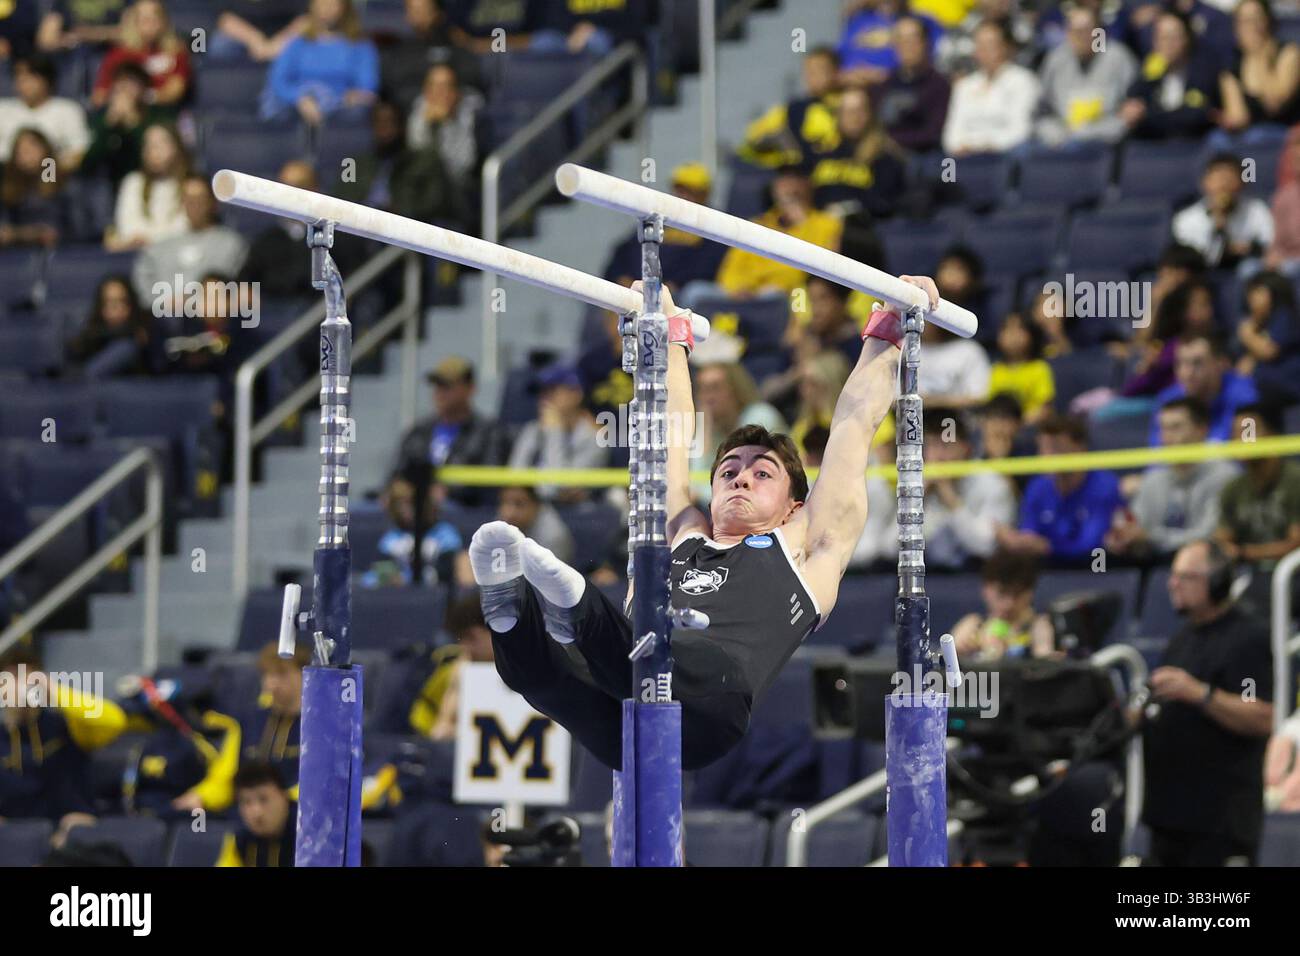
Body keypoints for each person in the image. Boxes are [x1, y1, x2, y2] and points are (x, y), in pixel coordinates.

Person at [469, 275, 941, 771]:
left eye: (763, 473)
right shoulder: (682, 529)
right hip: (628, 718)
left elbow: (853, 424)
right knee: (544, 680)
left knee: (651, 647)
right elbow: (671, 432)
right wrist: (670, 340)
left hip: (711, 708)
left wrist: (889, 329)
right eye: (729, 471)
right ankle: (513, 612)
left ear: (793, 505)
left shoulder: (807, 542)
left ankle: (579, 610)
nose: (740, 479)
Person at [1141, 539, 1273, 866]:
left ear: (1217, 582)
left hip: (1218, 823)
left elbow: (1260, 716)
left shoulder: (1248, 637)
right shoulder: (1181, 638)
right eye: (1173, 575)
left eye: (1186, 577)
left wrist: (1199, 693)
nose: (1173, 584)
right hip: (1170, 819)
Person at [855, 409, 1017, 570]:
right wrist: (918, 499)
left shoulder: (991, 483)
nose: (939, 455)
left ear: (966, 448)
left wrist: (952, 502)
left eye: (946, 445)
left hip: (976, 578)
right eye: (933, 445)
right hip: (928, 579)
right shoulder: (918, 484)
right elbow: (889, 548)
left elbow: (986, 546)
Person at [0, 644, 128, 827]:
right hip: (14, 837)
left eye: (27, 677)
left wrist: (52, 690)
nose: (20, 686)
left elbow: (114, 721)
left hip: (69, 830)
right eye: (11, 678)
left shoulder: (67, 725)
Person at [1105, 398, 1239, 560]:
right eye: (1163, 428)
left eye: (1176, 427)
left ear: (1202, 430)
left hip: (1204, 569)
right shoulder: (1153, 479)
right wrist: (1123, 537)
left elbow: (1210, 537)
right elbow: (1137, 527)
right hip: (1155, 567)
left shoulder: (1226, 477)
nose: (1166, 437)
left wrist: (1151, 537)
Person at [995, 413, 1121, 564]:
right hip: (1046, 573)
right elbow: (1029, 534)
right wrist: (1018, 542)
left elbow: (1094, 547)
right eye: (1042, 448)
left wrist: (1048, 547)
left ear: (1080, 448)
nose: (1046, 456)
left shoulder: (1104, 486)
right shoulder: (1038, 487)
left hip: (1095, 571)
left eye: (1055, 448)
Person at [388, 356, 510, 506]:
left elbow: (490, 481)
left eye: (447, 386)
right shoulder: (419, 431)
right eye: (436, 385)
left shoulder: (489, 432)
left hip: (463, 512)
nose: (439, 393)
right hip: (416, 509)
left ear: (470, 388)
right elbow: (396, 474)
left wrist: (449, 491)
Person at [1215, 403, 1300, 611]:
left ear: (1273, 435)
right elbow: (1222, 538)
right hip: (1250, 576)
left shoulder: (1295, 480)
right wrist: (1227, 549)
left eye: (1248, 431)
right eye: (1236, 433)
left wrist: (1244, 553)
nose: (1241, 440)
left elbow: (1295, 544)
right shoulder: (1233, 489)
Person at [714, 166, 842, 298]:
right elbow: (731, 270)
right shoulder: (758, 224)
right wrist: (739, 288)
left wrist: (802, 223)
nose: (788, 186)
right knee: (698, 292)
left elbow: (812, 271)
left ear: (807, 185)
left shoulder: (827, 223)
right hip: (746, 294)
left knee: (779, 295)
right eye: (783, 178)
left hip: (793, 296)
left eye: (795, 178)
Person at [131, 173, 250, 305]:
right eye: (188, 199)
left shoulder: (232, 244)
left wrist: (196, 302)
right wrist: (162, 304)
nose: (194, 205)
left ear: (212, 202)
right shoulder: (161, 245)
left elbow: (233, 287)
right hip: (165, 317)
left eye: (200, 199)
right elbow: (144, 282)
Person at [260, 0, 378, 125]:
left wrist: (341, 99)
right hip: (296, 107)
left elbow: (367, 85)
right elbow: (278, 81)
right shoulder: (297, 42)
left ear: (344, 7)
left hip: (340, 110)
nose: (326, 8)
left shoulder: (360, 45)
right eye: (321, 3)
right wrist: (300, 98)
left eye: (333, 4)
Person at [1035, 5, 1138, 147]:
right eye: (1075, 31)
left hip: (1106, 142)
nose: (1081, 37)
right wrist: (1056, 135)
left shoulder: (1117, 57)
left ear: (1098, 33)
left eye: (1086, 31)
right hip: (1062, 142)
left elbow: (1132, 109)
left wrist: (1088, 134)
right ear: (1067, 33)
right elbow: (1042, 112)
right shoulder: (1056, 59)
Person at [507, 363, 608, 504]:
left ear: (576, 394)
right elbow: (514, 482)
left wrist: (554, 433)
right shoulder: (532, 430)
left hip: (574, 517)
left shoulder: (594, 437)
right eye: (540, 393)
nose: (543, 399)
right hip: (531, 512)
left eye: (551, 391)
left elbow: (558, 488)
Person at [802, 85, 907, 219]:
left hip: (863, 232)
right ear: (838, 116)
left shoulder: (884, 158)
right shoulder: (821, 154)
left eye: (859, 110)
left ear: (870, 114)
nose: (854, 117)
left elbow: (885, 205)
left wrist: (848, 209)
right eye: (848, 111)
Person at [940, 18, 1040, 156]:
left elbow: (1021, 130)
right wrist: (964, 146)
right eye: (980, 45)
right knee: (944, 168)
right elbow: (952, 134)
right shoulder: (964, 86)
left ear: (1005, 47)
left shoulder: (1023, 81)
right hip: (966, 157)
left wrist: (987, 146)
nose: (985, 51)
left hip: (1004, 157)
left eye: (991, 45)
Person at [1120, 10, 1221, 141]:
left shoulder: (1202, 70)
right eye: (1162, 37)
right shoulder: (1150, 70)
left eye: (1174, 37)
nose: (1168, 44)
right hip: (1153, 147)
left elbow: (1195, 117)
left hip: (1193, 144)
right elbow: (1132, 107)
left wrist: (1148, 116)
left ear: (1187, 39)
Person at [407, 594, 495, 740]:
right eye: (462, 639)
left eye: (472, 637)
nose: (466, 647)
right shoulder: (456, 669)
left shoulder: (528, 668)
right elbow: (439, 730)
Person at [737, 46, 840, 169]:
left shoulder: (848, 105)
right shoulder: (793, 108)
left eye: (820, 70)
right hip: (802, 175)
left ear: (836, 72)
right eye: (808, 70)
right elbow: (753, 136)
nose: (812, 76)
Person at [1148, 332, 1258, 446]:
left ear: (1220, 363)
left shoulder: (1244, 394)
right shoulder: (1169, 400)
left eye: (1197, 363)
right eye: (1180, 364)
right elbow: (1158, 452)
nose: (1187, 373)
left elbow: (1249, 444)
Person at [1171, 153, 1273, 273]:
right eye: (1218, 179)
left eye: (1230, 179)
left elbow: (1270, 243)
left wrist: (1249, 248)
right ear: (1204, 183)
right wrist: (1218, 224)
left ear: (1243, 183)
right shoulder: (1186, 219)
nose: (1224, 185)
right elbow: (1194, 260)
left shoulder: (1256, 210)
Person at [360, 476, 465, 588]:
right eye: (401, 503)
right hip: (398, 598)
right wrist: (387, 578)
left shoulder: (446, 534)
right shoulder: (391, 538)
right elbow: (377, 575)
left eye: (412, 502)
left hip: (434, 597)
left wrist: (407, 580)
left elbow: (446, 572)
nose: (406, 509)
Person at [950, 549, 1055, 660]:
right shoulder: (972, 625)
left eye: (1017, 594)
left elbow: (1045, 657)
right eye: (1002, 593)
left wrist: (1045, 654)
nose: (1009, 603)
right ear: (986, 589)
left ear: (1030, 593)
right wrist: (960, 652)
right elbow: (944, 663)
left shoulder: (1039, 627)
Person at [380, 0, 482, 113]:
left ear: (438, 13)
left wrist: (446, 95)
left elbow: (472, 78)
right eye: (412, 9)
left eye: (423, 9)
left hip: (453, 107)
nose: (417, 13)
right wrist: (427, 99)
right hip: (412, 111)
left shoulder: (455, 43)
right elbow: (393, 87)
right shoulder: (401, 50)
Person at [1216, 0, 1300, 137]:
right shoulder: (1231, 65)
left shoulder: (1288, 52)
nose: (1252, 26)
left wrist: (1258, 55)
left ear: (1268, 20)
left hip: (1285, 130)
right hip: (1249, 133)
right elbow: (1239, 116)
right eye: (1245, 21)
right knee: (1217, 138)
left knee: (1259, 134)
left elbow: (1275, 103)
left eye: (1256, 18)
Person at [91, 0, 192, 111]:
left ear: (164, 21)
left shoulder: (176, 52)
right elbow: (99, 96)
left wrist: (143, 97)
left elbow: (175, 92)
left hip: (161, 113)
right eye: (145, 19)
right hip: (124, 113)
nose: (150, 25)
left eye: (155, 18)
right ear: (134, 21)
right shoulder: (119, 54)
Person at [870, 14, 949, 154]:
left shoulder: (940, 86)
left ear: (926, 43)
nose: (907, 46)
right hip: (881, 155)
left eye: (913, 39)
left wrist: (892, 142)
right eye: (900, 40)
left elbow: (934, 134)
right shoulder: (883, 85)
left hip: (919, 159)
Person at [79, 61, 166, 188]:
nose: (125, 88)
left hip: (143, 179)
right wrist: (109, 124)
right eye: (121, 82)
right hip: (105, 182)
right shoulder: (101, 117)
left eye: (132, 83)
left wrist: (132, 121)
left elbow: (147, 155)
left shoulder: (154, 115)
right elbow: (88, 162)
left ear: (143, 89)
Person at [105, 121, 189, 251]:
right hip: (136, 254)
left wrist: (150, 240)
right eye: (148, 145)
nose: (153, 150)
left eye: (160, 144)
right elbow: (127, 226)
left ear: (176, 147)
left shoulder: (190, 184)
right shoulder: (133, 182)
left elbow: (184, 228)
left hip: (178, 256)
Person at [404, 62, 485, 194]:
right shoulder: (419, 110)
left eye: (447, 86)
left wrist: (448, 123)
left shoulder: (470, 114)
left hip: (459, 193)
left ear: (457, 92)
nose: (441, 93)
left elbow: (462, 167)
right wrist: (431, 126)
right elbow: (417, 159)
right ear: (426, 90)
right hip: (425, 191)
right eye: (435, 86)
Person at [0, 52, 88, 169]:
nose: (23, 81)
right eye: (18, 76)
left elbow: (80, 148)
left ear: (47, 80)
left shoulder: (67, 109)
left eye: (30, 76)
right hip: (7, 174)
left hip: (51, 172)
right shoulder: (3, 108)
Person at [67, 273, 161, 377]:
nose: (116, 308)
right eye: (108, 302)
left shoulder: (144, 338)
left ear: (132, 304)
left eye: (122, 301)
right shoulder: (88, 339)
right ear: (100, 307)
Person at [1234, 269, 1300, 406]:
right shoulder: (1261, 323)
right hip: (1269, 393)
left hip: (1290, 387)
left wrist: (1246, 333)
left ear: (1274, 292)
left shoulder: (1284, 315)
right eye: (1250, 293)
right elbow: (1243, 367)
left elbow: (1268, 351)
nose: (1251, 298)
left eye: (1258, 291)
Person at [0, 127, 73, 248]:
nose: (25, 156)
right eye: (20, 152)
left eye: (30, 150)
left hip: (64, 255)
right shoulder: (9, 186)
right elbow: (4, 231)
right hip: (16, 257)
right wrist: (32, 234)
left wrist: (19, 234)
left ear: (45, 151)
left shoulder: (64, 184)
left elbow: (64, 230)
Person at [215, 763, 298, 867]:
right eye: (246, 802)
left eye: (264, 799)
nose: (256, 812)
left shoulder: (308, 836)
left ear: (284, 797)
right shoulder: (240, 839)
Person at [987, 311, 1054, 423]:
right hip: (1001, 425)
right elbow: (990, 406)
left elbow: (1044, 409)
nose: (1013, 335)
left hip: (1029, 428)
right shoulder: (996, 370)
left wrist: (1018, 423)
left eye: (1019, 329)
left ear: (1031, 334)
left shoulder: (1039, 368)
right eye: (1006, 329)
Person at [209, 0, 306, 62]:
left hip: (283, 41)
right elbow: (225, 18)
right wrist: (253, 39)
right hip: (244, 40)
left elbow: (304, 19)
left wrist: (277, 44)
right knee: (219, 44)